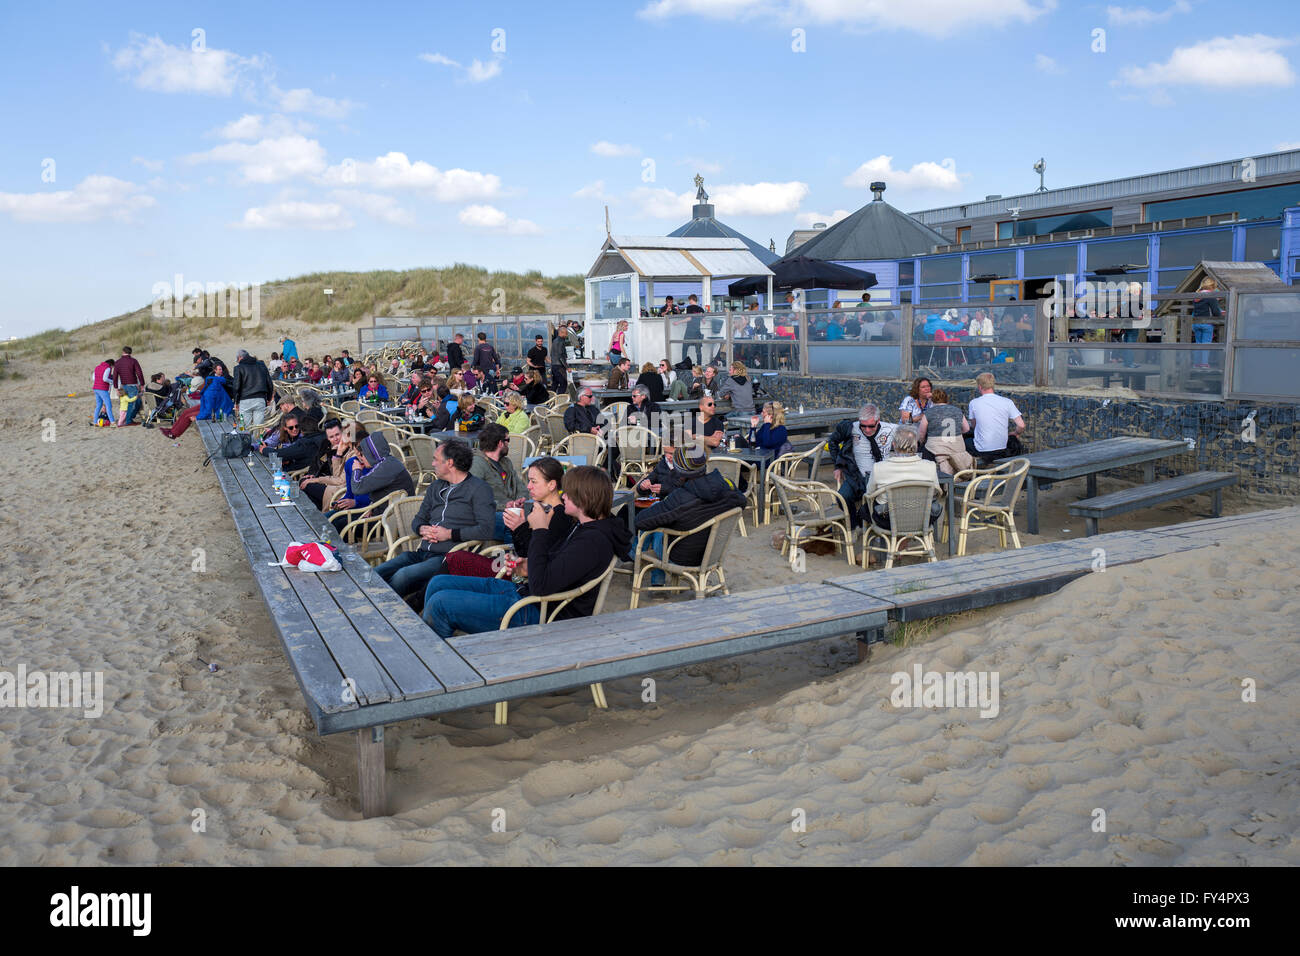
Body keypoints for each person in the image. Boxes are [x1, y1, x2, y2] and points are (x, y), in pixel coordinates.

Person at [422, 465, 630, 637]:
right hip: (527, 595)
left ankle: (438, 669)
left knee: (440, 605)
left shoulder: (593, 540)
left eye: (568, 492)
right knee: (438, 582)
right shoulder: (584, 527)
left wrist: (540, 529)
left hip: (540, 613)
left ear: (583, 498)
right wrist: (527, 566)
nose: (563, 496)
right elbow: (556, 566)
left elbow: (541, 586)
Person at [372, 439, 494, 610]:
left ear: (449, 463)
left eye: (436, 459)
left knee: (403, 575)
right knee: (377, 572)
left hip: (446, 558)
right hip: (421, 552)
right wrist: (422, 529)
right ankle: (370, 604)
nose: (432, 463)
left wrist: (449, 534)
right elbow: (418, 519)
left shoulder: (479, 489)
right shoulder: (436, 486)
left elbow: (487, 529)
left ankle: (384, 611)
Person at [634, 445, 745, 570]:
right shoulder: (725, 484)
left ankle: (633, 559)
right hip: (714, 553)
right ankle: (654, 578)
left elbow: (640, 521)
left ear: (678, 469)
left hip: (681, 557)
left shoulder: (681, 497)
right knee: (665, 518)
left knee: (658, 521)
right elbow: (742, 502)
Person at [329, 431, 417, 533]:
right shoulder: (387, 462)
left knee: (340, 525)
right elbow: (383, 492)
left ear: (371, 454)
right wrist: (371, 506)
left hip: (390, 522)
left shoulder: (386, 467)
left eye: (363, 454)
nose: (361, 458)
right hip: (387, 514)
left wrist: (356, 470)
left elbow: (357, 488)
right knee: (337, 520)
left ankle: (348, 548)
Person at [828, 404, 898, 528]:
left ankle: (876, 526)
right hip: (857, 477)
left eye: (871, 426)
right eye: (863, 426)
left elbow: (913, 438)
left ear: (878, 420)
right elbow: (832, 442)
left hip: (882, 478)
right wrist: (838, 466)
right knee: (842, 497)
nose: (867, 430)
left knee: (886, 500)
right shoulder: (851, 428)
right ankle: (855, 525)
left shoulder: (892, 429)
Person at [863, 426, 941, 530]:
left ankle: (896, 542)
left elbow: (869, 493)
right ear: (916, 445)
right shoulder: (930, 466)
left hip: (888, 519)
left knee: (865, 509)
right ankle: (905, 540)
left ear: (894, 444)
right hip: (922, 518)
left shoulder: (879, 467)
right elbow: (935, 493)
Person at [472, 423, 523, 542]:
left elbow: (520, 485)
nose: (508, 444)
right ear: (500, 443)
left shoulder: (506, 462)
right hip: (485, 516)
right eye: (508, 440)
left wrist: (522, 500)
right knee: (512, 524)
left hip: (510, 510)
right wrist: (504, 506)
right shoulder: (476, 465)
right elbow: (475, 499)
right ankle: (511, 557)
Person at [300, 419, 364, 510]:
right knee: (304, 482)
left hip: (342, 491)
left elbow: (341, 480)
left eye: (339, 434)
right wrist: (338, 454)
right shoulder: (334, 446)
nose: (337, 438)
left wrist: (317, 480)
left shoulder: (355, 453)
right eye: (331, 436)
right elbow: (335, 475)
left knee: (308, 486)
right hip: (336, 485)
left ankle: (316, 516)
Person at [967, 372, 1025, 465]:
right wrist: (1016, 433)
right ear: (993, 385)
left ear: (980, 387)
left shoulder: (974, 403)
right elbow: (1021, 425)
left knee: (966, 441)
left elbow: (974, 425)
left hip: (982, 450)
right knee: (1013, 441)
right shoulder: (1007, 402)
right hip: (1002, 449)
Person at [162, 362, 232, 438]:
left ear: (201, 385)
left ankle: (173, 434)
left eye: (197, 388)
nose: (196, 390)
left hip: (220, 410)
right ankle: (172, 430)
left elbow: (209, 411)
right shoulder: (209, 381)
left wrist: (197, 417)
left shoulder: (210, 393)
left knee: (188, 416)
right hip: (214, 405)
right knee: (186, 412)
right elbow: (217, 379)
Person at [916, 388, 973, 476]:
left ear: (932, 400)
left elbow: (921, 434)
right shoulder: (957, 410)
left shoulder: (929, 412)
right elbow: (966, 429)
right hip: (957, 448)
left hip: (935, 450)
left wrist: (922, 441)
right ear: (946, 399)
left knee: (922, 451)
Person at [230, 349, 272, 426]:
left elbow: (236, 386)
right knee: (258, 427)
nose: (238, 362)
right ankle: (257, 438)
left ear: (240, 357)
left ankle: (249, 437)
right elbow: (269, 383)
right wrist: (268, 398)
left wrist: (236, 401)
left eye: (237, 360)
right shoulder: (262, 365)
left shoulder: (238, 368)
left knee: (245, 427)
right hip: (260, 399)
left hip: (245, 400)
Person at [112, 345, 146, 426]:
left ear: (123, 352)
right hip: (132, 385)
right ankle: (129, 420)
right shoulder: (133, 361)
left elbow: (115, 376)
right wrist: (142, 384)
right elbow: (139, 373)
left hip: (123, 386)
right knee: (133, 402)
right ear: (130, 353)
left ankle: (129, 418)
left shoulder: (117, 362)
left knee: (133, 402)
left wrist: (116, 387)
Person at [1191, 277, 1220, 368]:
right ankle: (1204, 363)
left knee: (1198, 343)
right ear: (1212, 286)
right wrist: (1220, 316)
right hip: (1207, 323)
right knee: (1206, 344)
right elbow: (1215, 311)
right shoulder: (1211, 296)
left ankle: (1196, 363)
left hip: (1196, 323)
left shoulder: (1197, 296)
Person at [91, 357, 116, 425]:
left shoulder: (97, 367)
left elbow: (93, 378)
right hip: (103, 389)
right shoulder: (108, 368)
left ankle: (95, 421)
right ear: (111, 365)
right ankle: (112, 422)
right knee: (108, 406)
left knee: (98, 405)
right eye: (113, 367)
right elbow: (105, 379)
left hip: (96, 388)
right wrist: (112, 382)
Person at [550, 323, 570, 392]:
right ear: (561, 333)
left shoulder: (555, 341)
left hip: (554, 365)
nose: (567, 335)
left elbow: (551, 354)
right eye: (566, 333)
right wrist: (567, 367)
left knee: (555, 384)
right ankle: (560, 400)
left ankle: (551, 399)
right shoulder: (560, 341)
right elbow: (561, 356)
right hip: (559, 367)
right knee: (563, 384)